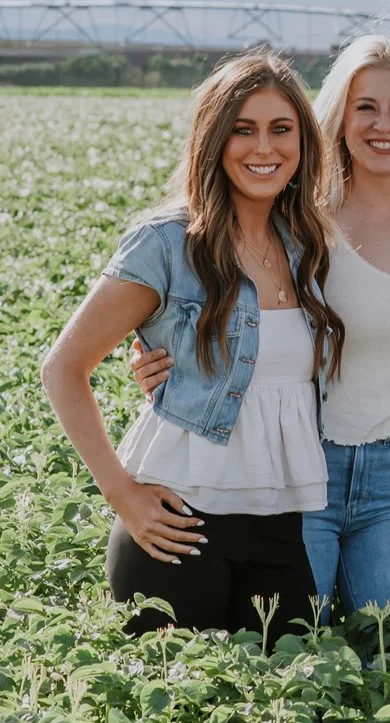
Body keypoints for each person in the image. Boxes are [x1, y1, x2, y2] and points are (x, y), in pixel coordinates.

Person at [130, 34, 390, 621]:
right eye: (365, 107)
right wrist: (161, 354)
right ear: (338, 119)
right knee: (296, 651)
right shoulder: (301, 219)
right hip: (297, 468)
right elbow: (212, 288)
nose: (382, 125)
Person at [40, 51, 344, 643]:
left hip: (282, 524)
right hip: (177, 525)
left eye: (282, 129)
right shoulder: (165, 243)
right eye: (243, 129)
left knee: (292, 715)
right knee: (176, 719)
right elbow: (64, 369)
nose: (265, 148)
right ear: (213, 139)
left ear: (304, 143)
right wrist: (120, 493)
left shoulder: (305, 245)